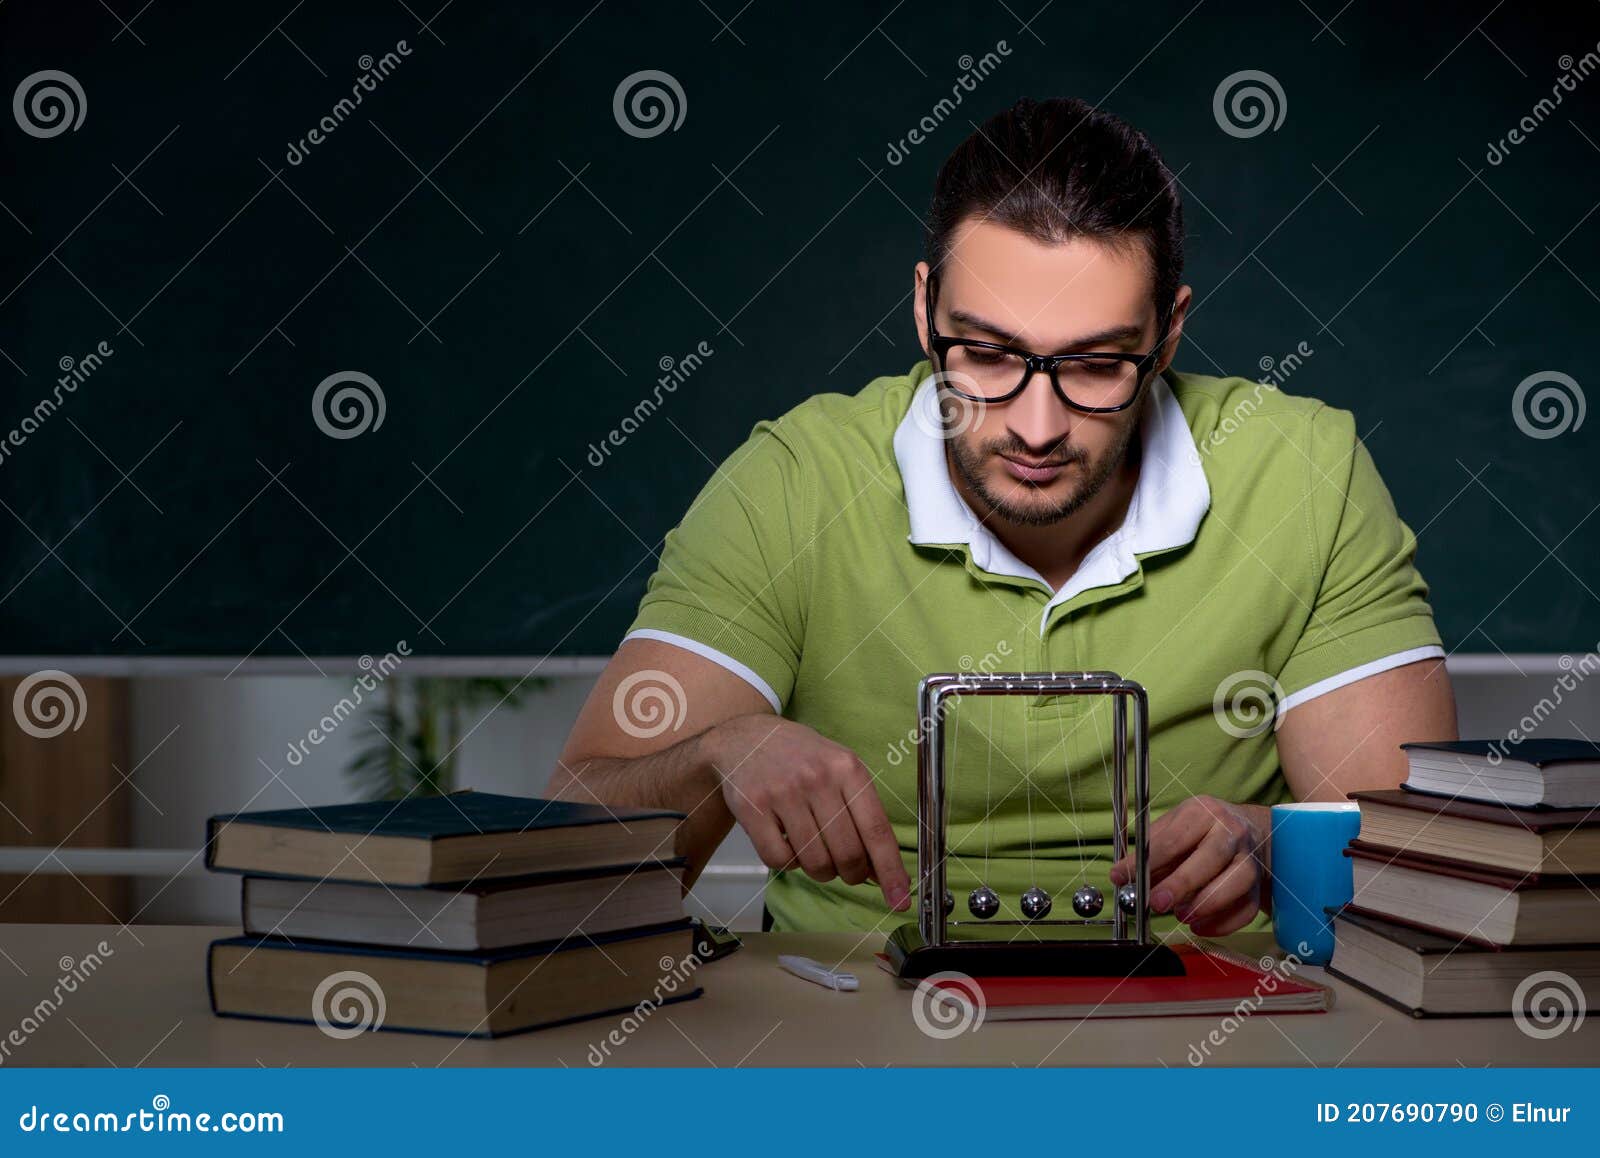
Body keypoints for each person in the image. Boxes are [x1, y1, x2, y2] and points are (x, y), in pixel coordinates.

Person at [550, 96, 1458, 937]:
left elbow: (1430, 873)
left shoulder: (1305, 474)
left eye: (1098, 365)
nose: (1036, 426)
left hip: (1203, 1037)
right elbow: (565, 878)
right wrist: (717, 751)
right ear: (921, 309)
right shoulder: (791, 484)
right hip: (852, 1040)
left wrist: (1272, 847)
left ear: (1169, 334)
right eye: (984, 355)